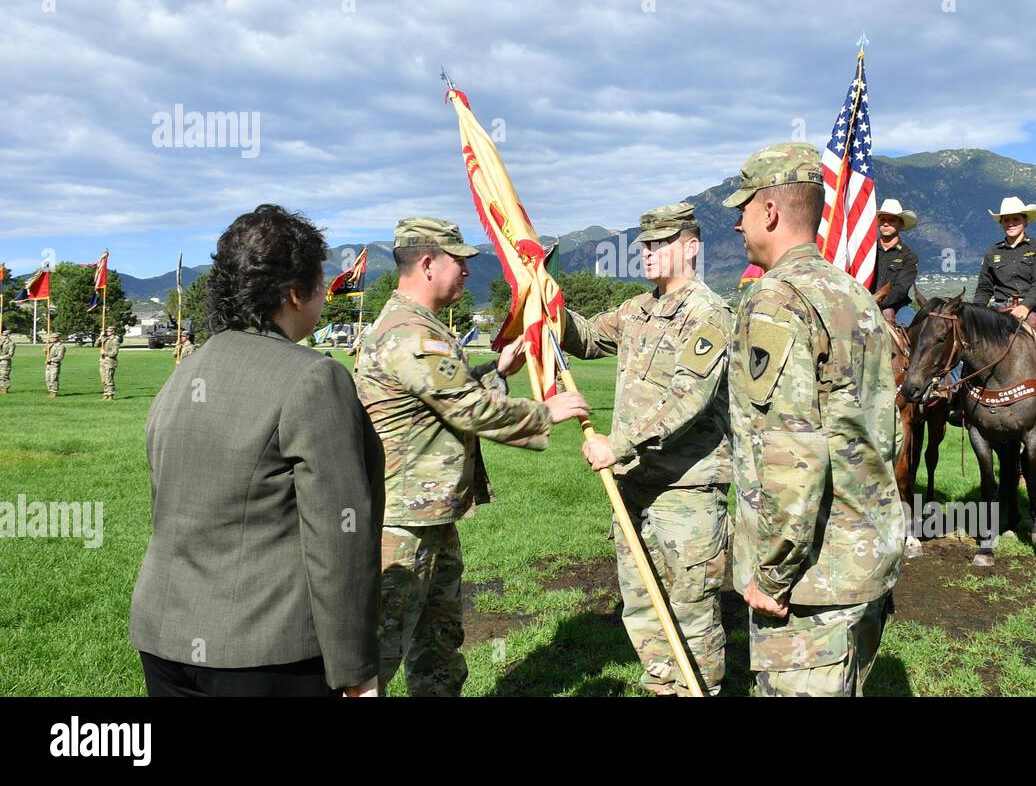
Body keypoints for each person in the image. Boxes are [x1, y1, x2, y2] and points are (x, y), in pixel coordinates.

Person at [129, 204, 384, 697]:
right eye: (320, 282)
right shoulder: (314, 377)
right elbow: (339, 534)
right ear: (294, 292)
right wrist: (356, 669)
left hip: (165, 637)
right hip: (268, 654)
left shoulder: (186, 372)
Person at [353, 217, 590, 697]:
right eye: (457, 261)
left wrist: (494, 369)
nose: (465, 271)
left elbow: (440, 398)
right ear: (426, 263)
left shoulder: (419, 327)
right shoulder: (408, 332)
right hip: (403, 522)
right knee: (377, 655)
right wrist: (546, 412)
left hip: (429, 514)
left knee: (438, 644)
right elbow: (466, 407)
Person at [724, 142, 905, 697]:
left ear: (771, 212)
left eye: (744, 209)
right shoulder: (853, 294)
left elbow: (792, 455)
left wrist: (772, 572)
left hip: (810, 581)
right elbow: (888, 430)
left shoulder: (775, 299)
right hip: (863, 560)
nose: (737, 225)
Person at [562, 202, 732, 696]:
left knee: (692, 611)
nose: (647, 251)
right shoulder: (638, 309)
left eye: (661, 242)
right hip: (635, 485)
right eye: (645, 243)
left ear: (691, 246)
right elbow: (588, 337)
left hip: (687, 488)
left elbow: (689, 398)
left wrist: (617, 444)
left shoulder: (709, 313)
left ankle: (698, 690)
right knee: (641, 604)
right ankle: (662, 686)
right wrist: (547, 303)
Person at [960, 196, 1036, 434]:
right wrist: (973, 315)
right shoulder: (993, 252)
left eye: (1016, 219)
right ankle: (957, 401)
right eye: (1007, 220)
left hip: (1034, 312)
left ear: (1025, 221)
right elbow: (984, 288)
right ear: (1001, 223)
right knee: (962, 345)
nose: (1011, 223)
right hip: (998, 313)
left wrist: (1027, 305)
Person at [869, 199, 920, 325]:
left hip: (897, 307)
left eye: (891, 220)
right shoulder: (866, 251)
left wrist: (877, 302)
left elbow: (901, 289)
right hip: (863, 304)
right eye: (882, 220)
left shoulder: (908, 256)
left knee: (915, 328)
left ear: (900, 224)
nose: (886, 224)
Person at [96, 326, 120, 401]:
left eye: (109, 331)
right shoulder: (105, 339)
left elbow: (114, 353)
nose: (107, 332)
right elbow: (96, 345)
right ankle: (105, 393)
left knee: (109, 379)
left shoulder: (115, 340)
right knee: (103, 379)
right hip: (103, 361)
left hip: (110, 362)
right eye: (107, 331)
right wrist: (100, 337)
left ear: (113, 331)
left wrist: (105, 353)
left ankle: (110, 394)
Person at [44, 332, 65, 398]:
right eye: (52, 337)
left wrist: (51, 360)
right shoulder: (51, 345)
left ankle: (54, 392)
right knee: (48, 379)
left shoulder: (61, 346)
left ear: (58, 338)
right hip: (48, 365)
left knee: (53, 378)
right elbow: (45, 352)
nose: (52, 339)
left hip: (55, 365)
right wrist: (47, 347)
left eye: (54, 338)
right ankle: (50, 391)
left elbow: (60, 357)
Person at [0, 328, 13, 394]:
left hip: (5, 362)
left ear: (8, 336)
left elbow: (10, 355)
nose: (3, 337)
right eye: (3, 335)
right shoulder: (0, 342)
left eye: (5, 335)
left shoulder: (11, 343)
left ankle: (4, 389)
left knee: (4, 376)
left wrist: (1, 357)